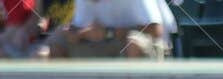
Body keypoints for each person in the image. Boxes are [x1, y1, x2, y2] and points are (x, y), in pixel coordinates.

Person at [45, 0, 173, 57]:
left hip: (142, 47)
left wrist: (109, 33)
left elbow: (155, 30)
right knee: (55, 42)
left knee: (133, 43)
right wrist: (76, 33)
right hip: (101, 45)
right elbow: (80, 26)